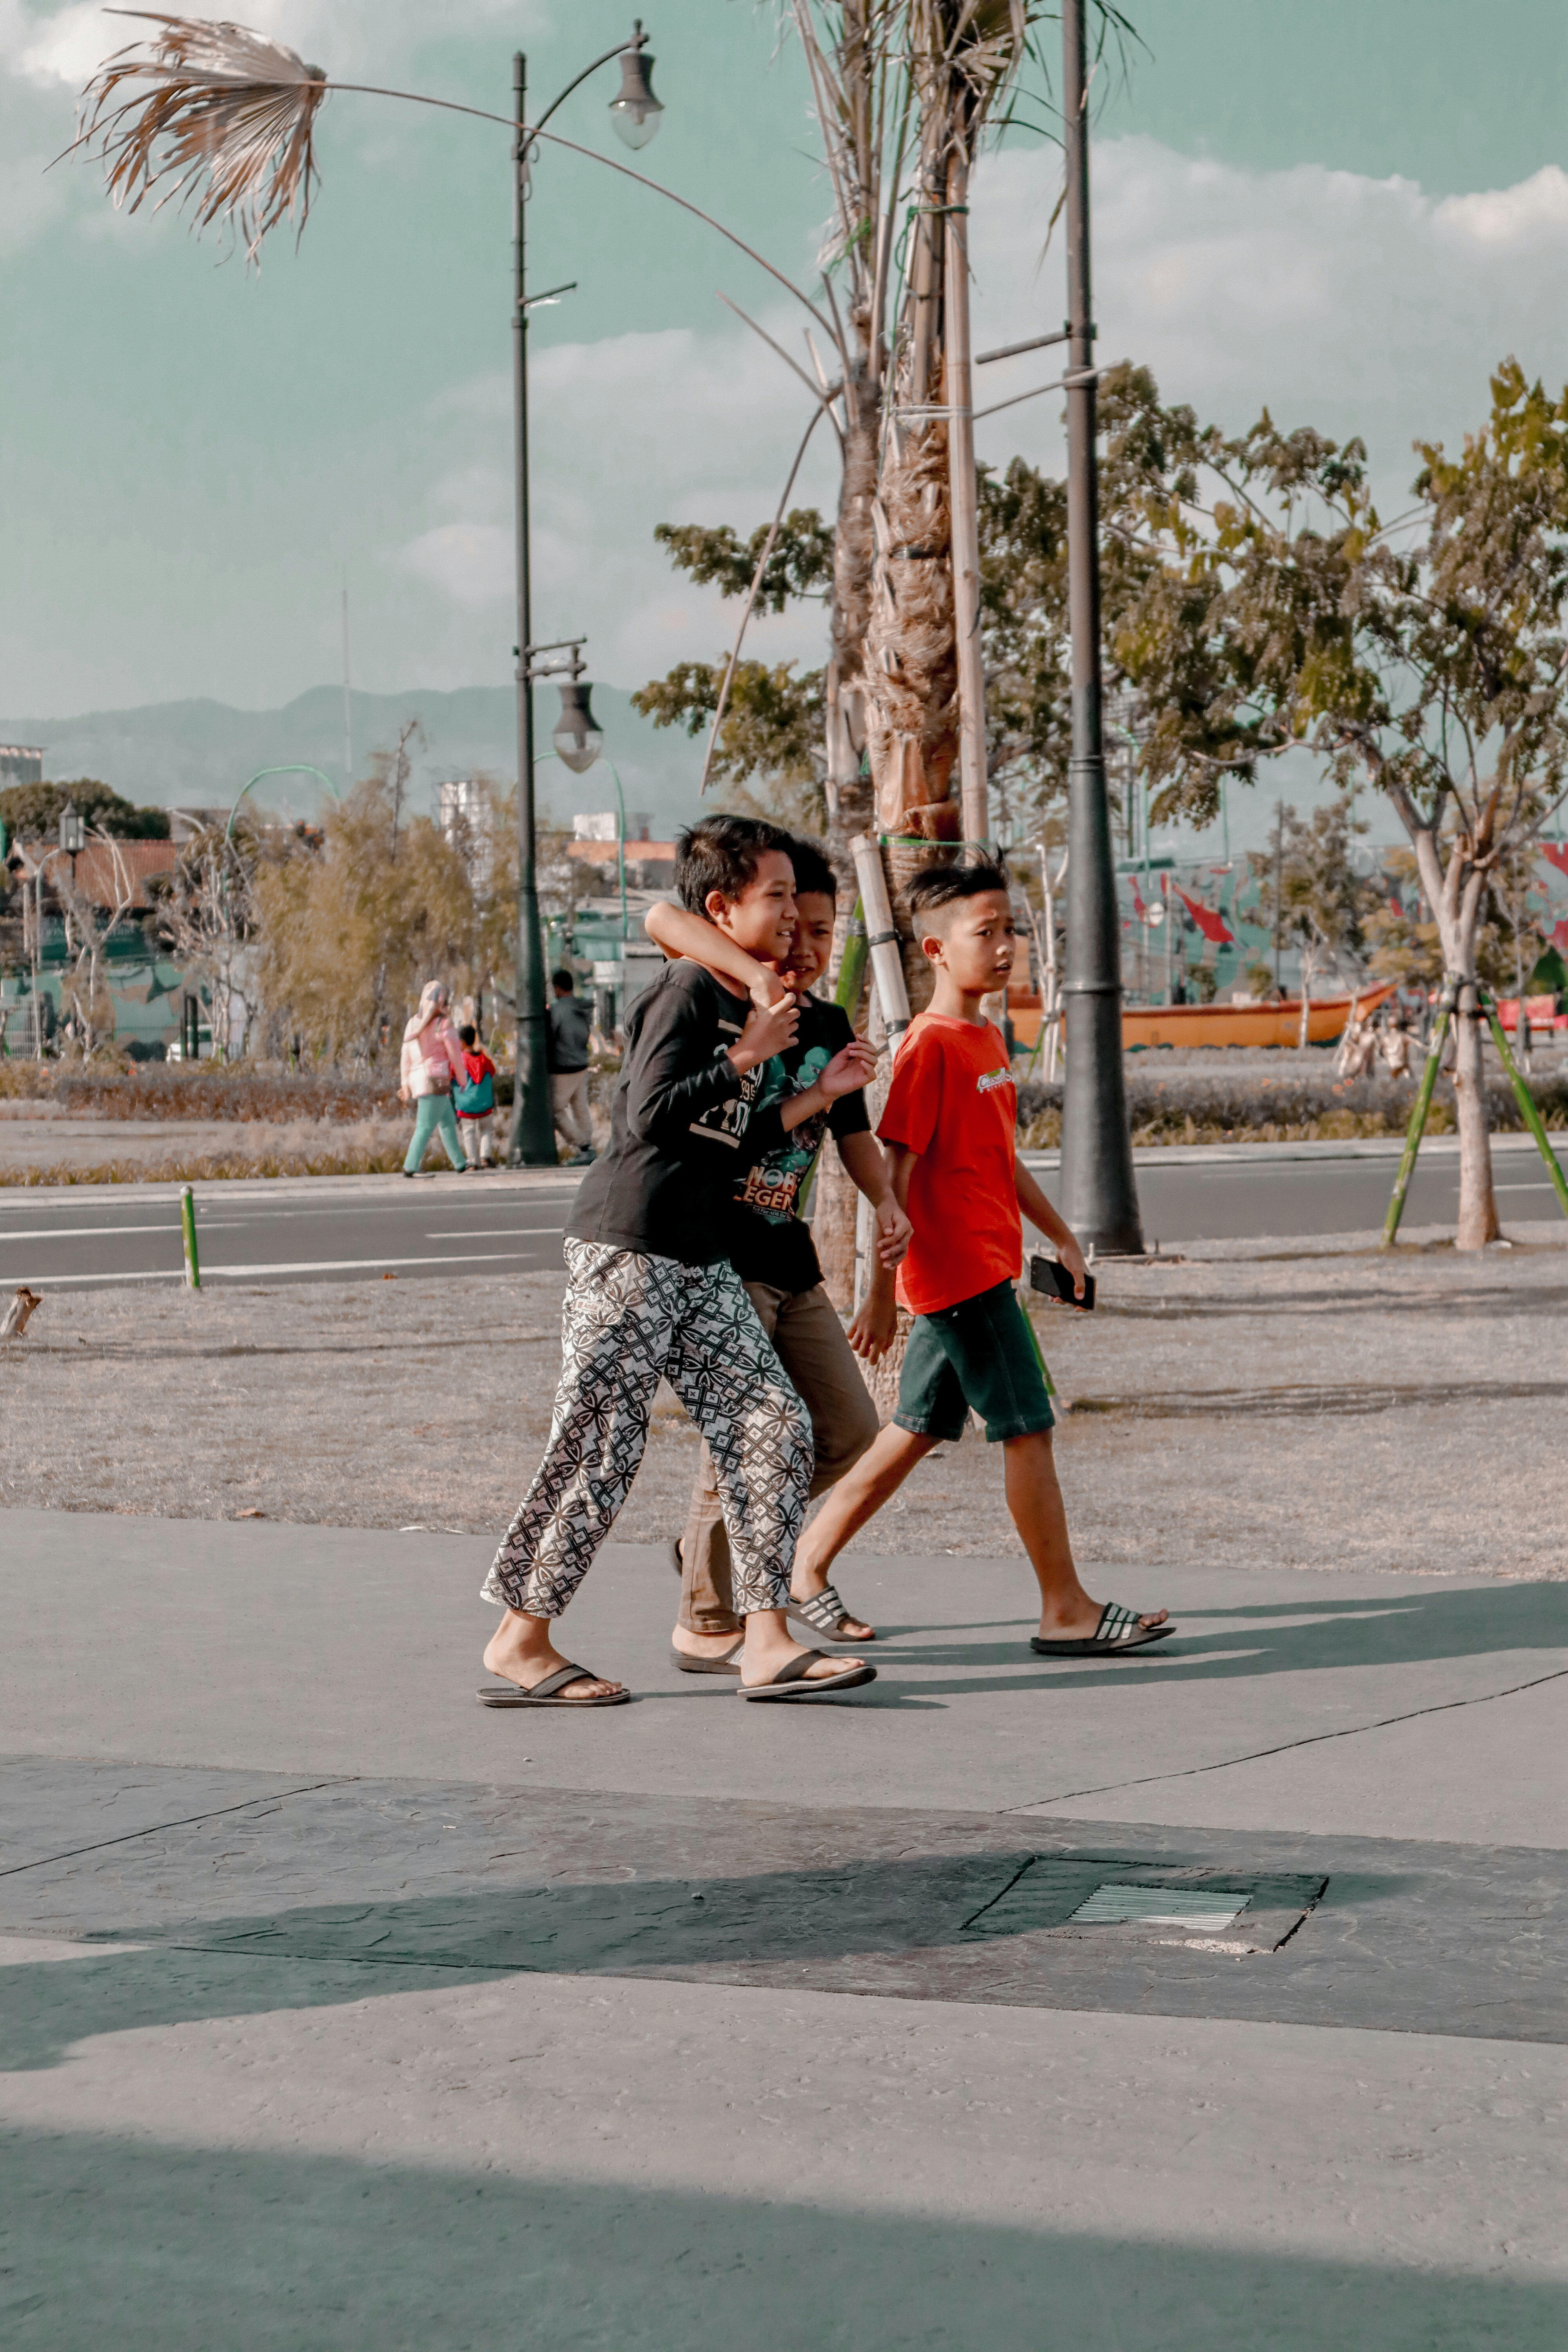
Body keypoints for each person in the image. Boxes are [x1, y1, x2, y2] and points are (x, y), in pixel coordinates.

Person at [478, 815, 882, 1707]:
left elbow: (730, 1143)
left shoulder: (761, 1007)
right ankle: (520, 1639)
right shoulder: (688, 992)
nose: (790, 915)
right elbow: (649, 1116)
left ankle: (764, 1641)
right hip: (630, 1244)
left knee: (775, 1425)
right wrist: (745, 1056)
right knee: (600, 1446)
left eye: (793, 897)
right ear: (722, 907)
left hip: (699, 1256)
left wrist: (811, 1090)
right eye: (774, 897)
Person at [793, 862, 1175, 1659]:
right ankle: (1063, 1607)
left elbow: (999, 1159)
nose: (1005, 948)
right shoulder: (930, 1049)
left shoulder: (986, 1040)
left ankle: (804, 1565)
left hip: (983, 1268)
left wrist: (1060, 1235)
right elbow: (890, 1179)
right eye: (986, 933)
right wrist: (876, 1294)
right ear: (935, 948)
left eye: (1011, 931)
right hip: (957, 1279)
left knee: (911, 1431)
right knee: (1026, 1429)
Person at [643, 835, 913, 1667]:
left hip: (788, 1254)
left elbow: (854, 1135)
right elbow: (661, 916)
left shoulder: (828, 1022)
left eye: (823, 931)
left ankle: (717, 1553)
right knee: (742, 1436)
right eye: (793, 920)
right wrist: (797, 1076)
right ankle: (708, 1614)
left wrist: (885, 1202)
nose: (806, 943)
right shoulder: (731, 1005)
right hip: (722, 1254)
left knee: (848, 1427)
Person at [399, 980, 466, 1177]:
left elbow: (406, 1056)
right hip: (436, 1079)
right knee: (425, 1126)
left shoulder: (413, 1024)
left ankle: (460, 1163)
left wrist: (405, 1083)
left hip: (420, 1080)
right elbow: (456, 1056)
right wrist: (462, 1080)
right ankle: (411, 1166)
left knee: (447, 1122)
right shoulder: (444, 1025)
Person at [547, 968, 595, 1165]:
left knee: (555, 1111)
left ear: (557, 988)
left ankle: (583, 1145)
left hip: (563, 1067)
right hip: (582, 1064)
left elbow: (550, 1037)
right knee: (580, 1108)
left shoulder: (558, 1011)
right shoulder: (582, 1008)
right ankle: (588, 1150)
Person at [454, 1023, 498, 1169]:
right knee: (486, 1129)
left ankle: (473, 1161)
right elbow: (492, 1072)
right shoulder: (485, 1059)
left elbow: (451, 1075)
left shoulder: (459, 1060)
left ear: (461, 1042)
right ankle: (485, 1156)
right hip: (485, 1102)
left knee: (469, 1132)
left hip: (467, 1104)